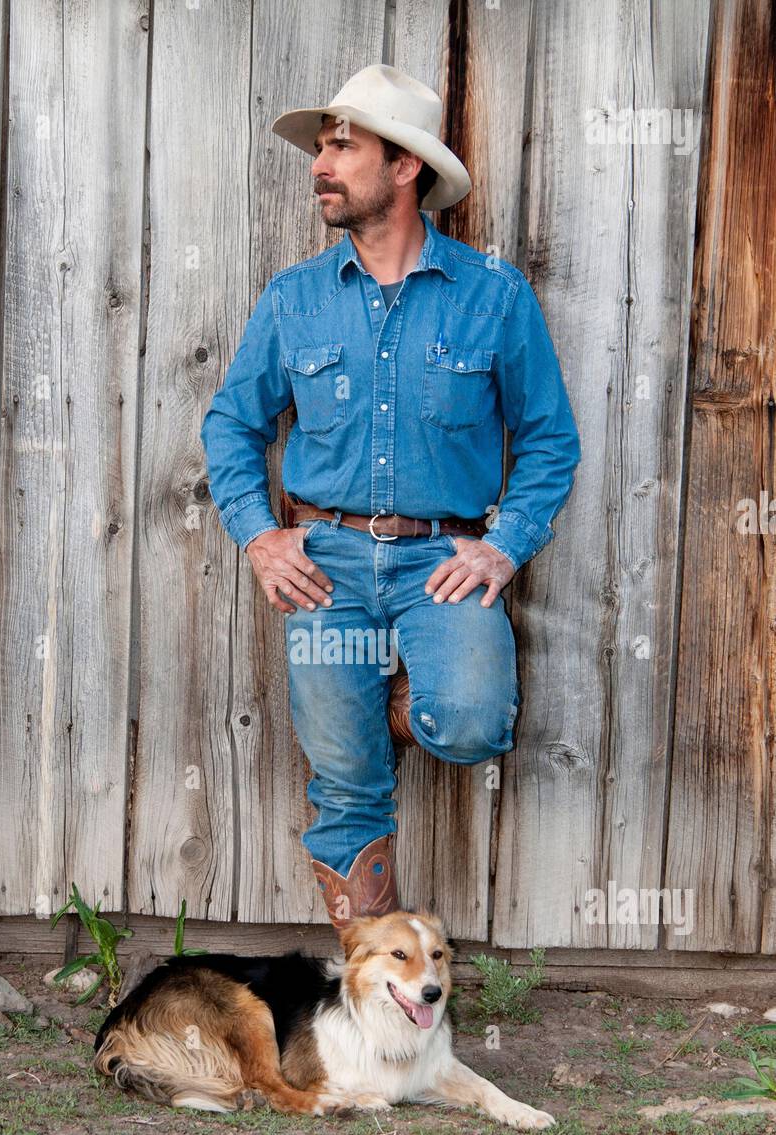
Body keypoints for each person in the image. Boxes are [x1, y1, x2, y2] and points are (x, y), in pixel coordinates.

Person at [200, 64, 581, 928]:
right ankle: (378, 999)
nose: (319, 165)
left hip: (439, 563)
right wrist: (261, 537)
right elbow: (231, 427)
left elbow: (550, 440)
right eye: (322, 147)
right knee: (345, 785)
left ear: (405, 166)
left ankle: (380, 699)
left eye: (342, 147)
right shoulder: (294, 300)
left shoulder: (492, 297)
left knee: (473, 722)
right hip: (324, 568)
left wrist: (504, 544)